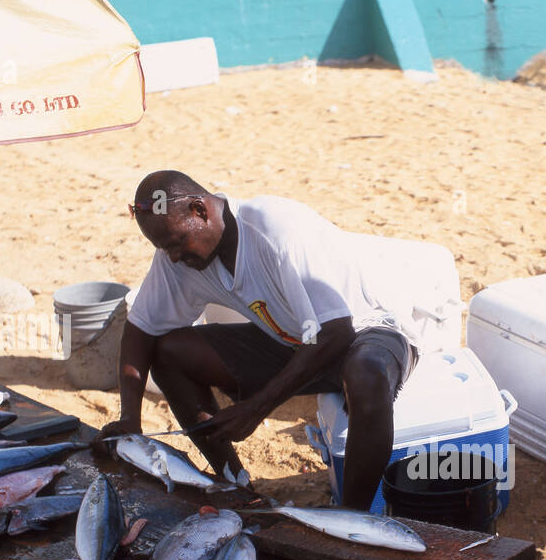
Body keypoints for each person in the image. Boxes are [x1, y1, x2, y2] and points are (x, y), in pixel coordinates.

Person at [95, 171, 426, 510]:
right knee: (168, 353)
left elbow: (337, 333)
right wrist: (130, 420)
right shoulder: (176, 255)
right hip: (294, 340)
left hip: (367, 331)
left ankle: (353, 519)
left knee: (365, 375)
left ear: (200, 210)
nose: (175, 257)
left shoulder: (276, 227)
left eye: (177, 243)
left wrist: (256, 408)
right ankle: (235, 485)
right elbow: (141, 329)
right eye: (165, 249)